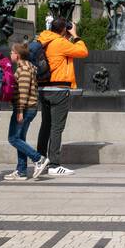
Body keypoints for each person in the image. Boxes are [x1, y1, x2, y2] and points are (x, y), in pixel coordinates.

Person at [32, 16, 89, 179]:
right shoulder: (60, 43)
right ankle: (54, 165)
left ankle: (40, 159)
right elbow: (83, 51)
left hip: (43, 88)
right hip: (58, 89)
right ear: (64, 29)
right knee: (57, 127)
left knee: (45, 126)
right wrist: (76, 35)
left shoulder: (42, 39)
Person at [4, 39, 42, 180]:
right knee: (20, 139)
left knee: (13, 138)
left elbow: (24, 92)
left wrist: (19, 111)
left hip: (25, 109)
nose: (10, 54)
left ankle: (38, 159)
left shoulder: (24, 69)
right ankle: (21, 171)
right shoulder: (27, 67)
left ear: (17, 55)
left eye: (12, 52)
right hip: (27, 108)